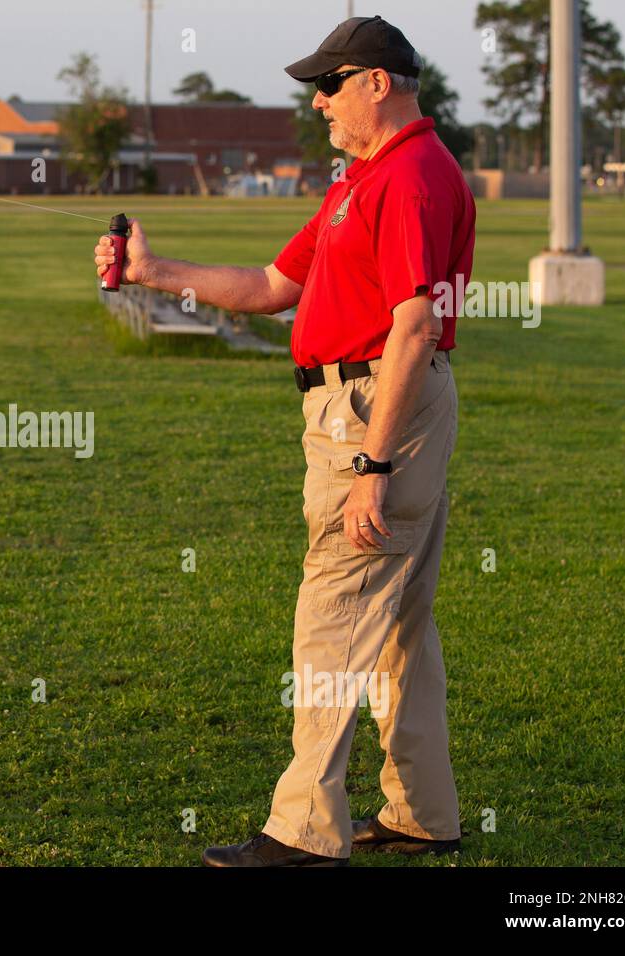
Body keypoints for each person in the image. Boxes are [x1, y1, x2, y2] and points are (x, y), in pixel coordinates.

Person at [94, 16, 475, 866]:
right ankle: (422, 813)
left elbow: (414, 326)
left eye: (330, 84)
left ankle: (303, 832)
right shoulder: (361, 182)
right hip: (374, 406)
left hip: (375, 409)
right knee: (401, 623)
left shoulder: (409, 176)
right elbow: (272, 286)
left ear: (378, 81)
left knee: (333, 618)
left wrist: (373, 463)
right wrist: (154, 272)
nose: (319, 104)